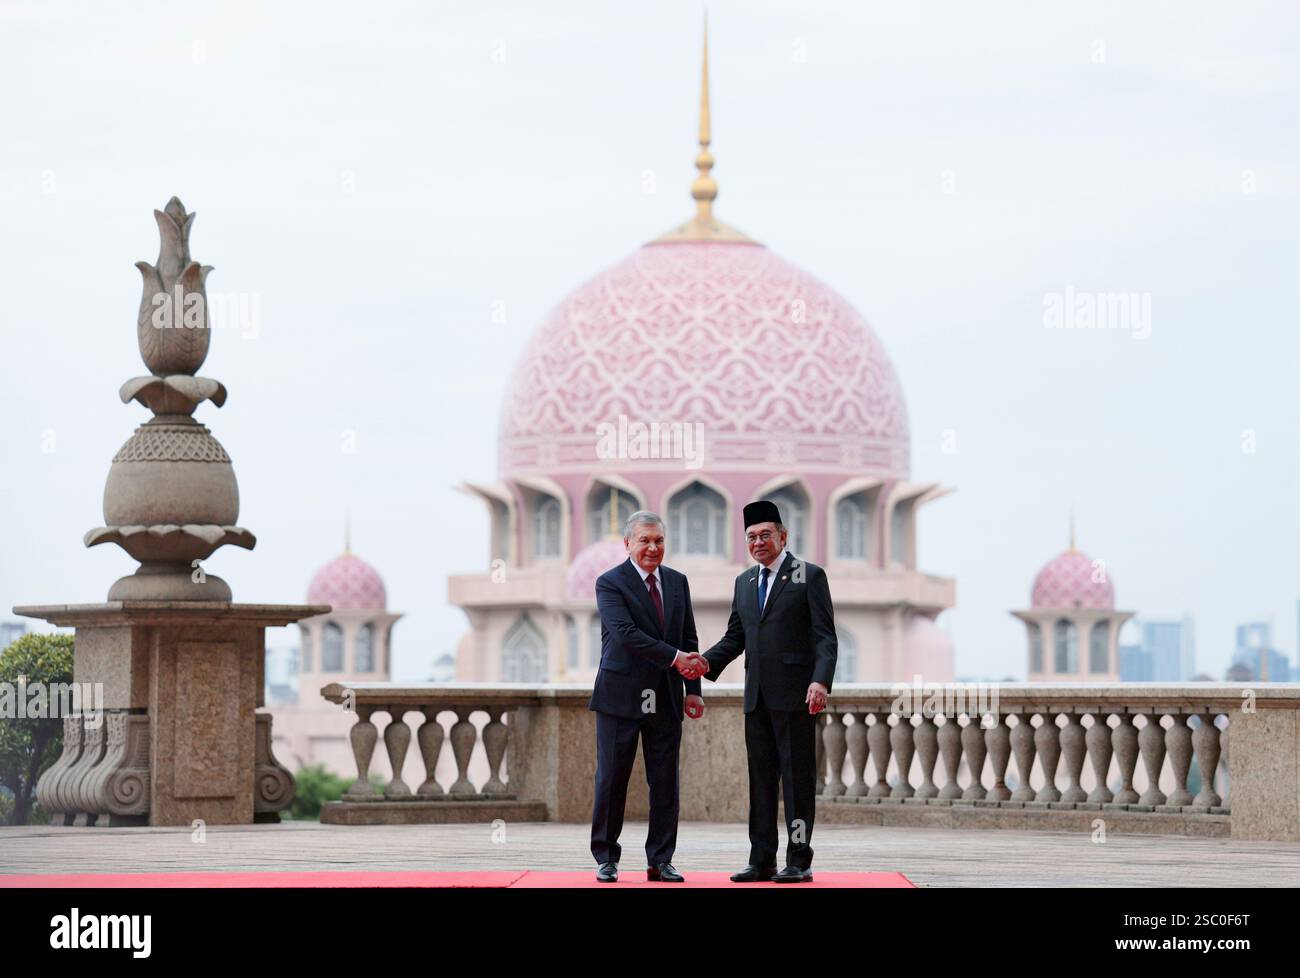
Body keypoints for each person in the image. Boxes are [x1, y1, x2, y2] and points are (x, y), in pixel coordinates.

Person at [701, 499, 837, 883]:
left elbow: (825, 638)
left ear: (783, 536)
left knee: (796, 783)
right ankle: (761, 859)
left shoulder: (808, 576)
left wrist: (820, 680)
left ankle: (799, 861)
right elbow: (734, 638)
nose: (758, 542)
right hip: (756, 698)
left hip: (796, 698)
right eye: (751, 536)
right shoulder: (744, 583)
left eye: (765, 535)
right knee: (760, 784)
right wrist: (703, 663)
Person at [589, 510, 707, 883]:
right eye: (644, 540)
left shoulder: (677, 582)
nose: (652, 547)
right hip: (620, 696)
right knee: (612, 778)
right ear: (627, 544)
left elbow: (688, 637)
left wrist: (694, 690)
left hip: (666, 696)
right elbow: (625, 634)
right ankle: (606, 857)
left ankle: (660, 859)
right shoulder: (610, 583)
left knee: (665, 781)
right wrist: (676, 659)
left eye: (658, 541)